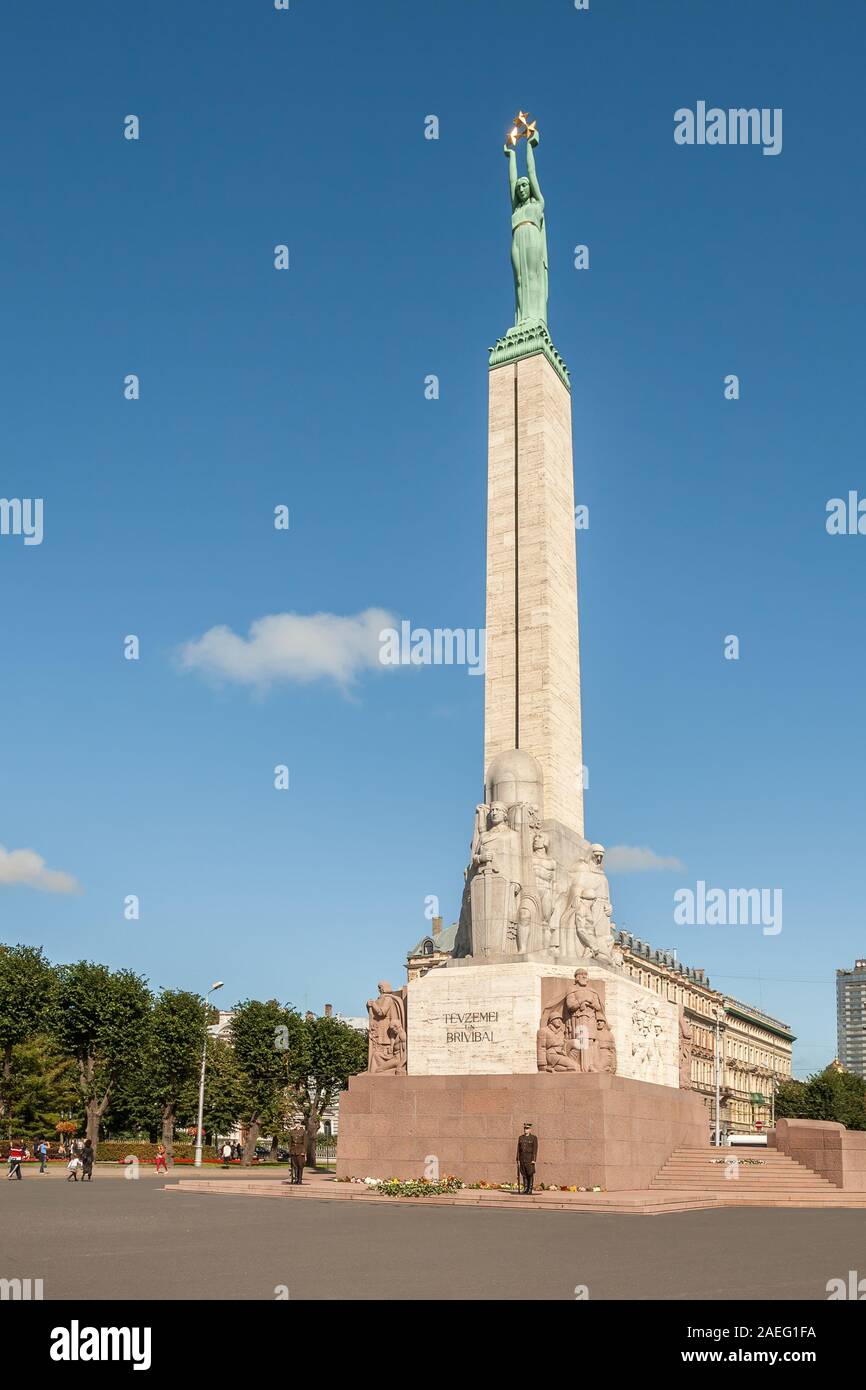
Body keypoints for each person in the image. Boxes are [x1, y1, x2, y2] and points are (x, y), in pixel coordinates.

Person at [516, 1122, 538, 1195]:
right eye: (525, 1128)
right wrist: (518, 1159)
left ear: (530, 1130)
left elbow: (535, 1149)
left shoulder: (533, 1138)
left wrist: (534, 1159)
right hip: (522, 1158)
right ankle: (525, 1188)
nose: (526, 1130)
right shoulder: (521, 1138)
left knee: (530, 1173)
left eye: (527, 1128)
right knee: (524, 1174)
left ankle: (530, 1189)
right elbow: (518, 1149)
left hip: (529, 1158)